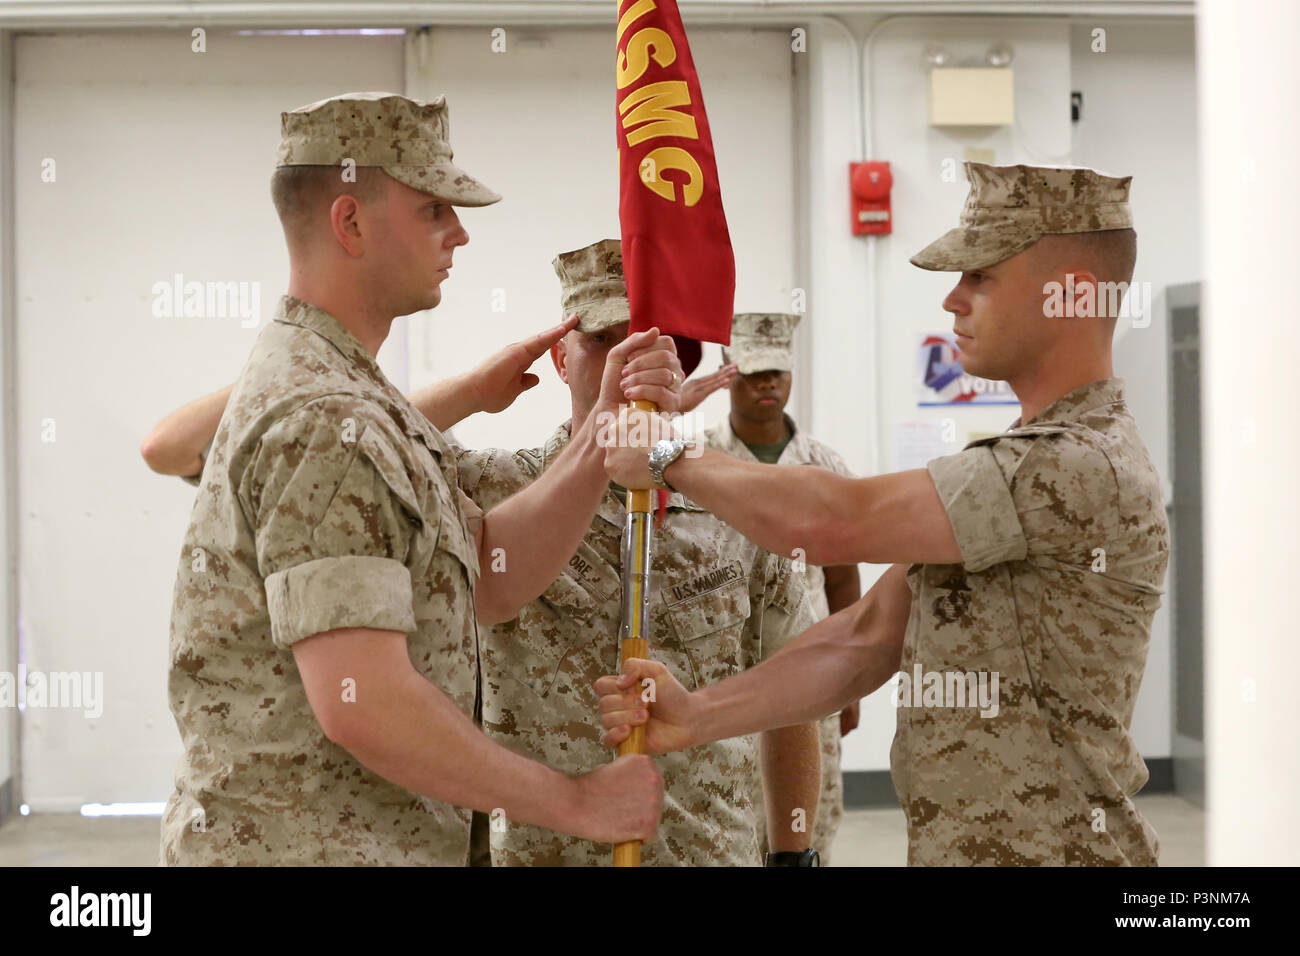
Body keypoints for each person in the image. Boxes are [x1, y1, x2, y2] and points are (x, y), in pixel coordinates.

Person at [597, 162, 1171, 866]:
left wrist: (667, 456)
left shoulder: (1081, 462)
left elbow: (836, 521)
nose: (953, 301)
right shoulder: (1020, 462)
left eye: (981, 277)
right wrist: (697, 716)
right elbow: (865, 639)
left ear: (1073, 296)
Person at [158, 92, 674, 865]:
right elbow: (365, 707)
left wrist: (600, 433)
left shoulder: (362, 402)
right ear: (350, 223)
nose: (459, 233)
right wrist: (576, 800)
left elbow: (491, 577)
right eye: (434, 209)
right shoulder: (324, 419)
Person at [457, 240, 820, 866]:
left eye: (649, 346)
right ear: (560, 359)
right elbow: (340, 443)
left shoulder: (739, 502)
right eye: (603, 342)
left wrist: (794, 855)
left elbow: (790, 693)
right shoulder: (493, 492)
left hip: (706, 854)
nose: (627, 365)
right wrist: (469, 390)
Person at [702, 312, 862, 865]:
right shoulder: (699, 461)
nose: (767, 384)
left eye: (778, 373)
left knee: (809, 820)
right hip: (726, 669)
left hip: (811, 662)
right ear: (728, 371)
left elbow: (842, 575)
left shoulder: (822, 466)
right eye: (754, 372)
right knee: (727, 811)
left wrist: (853, 678)